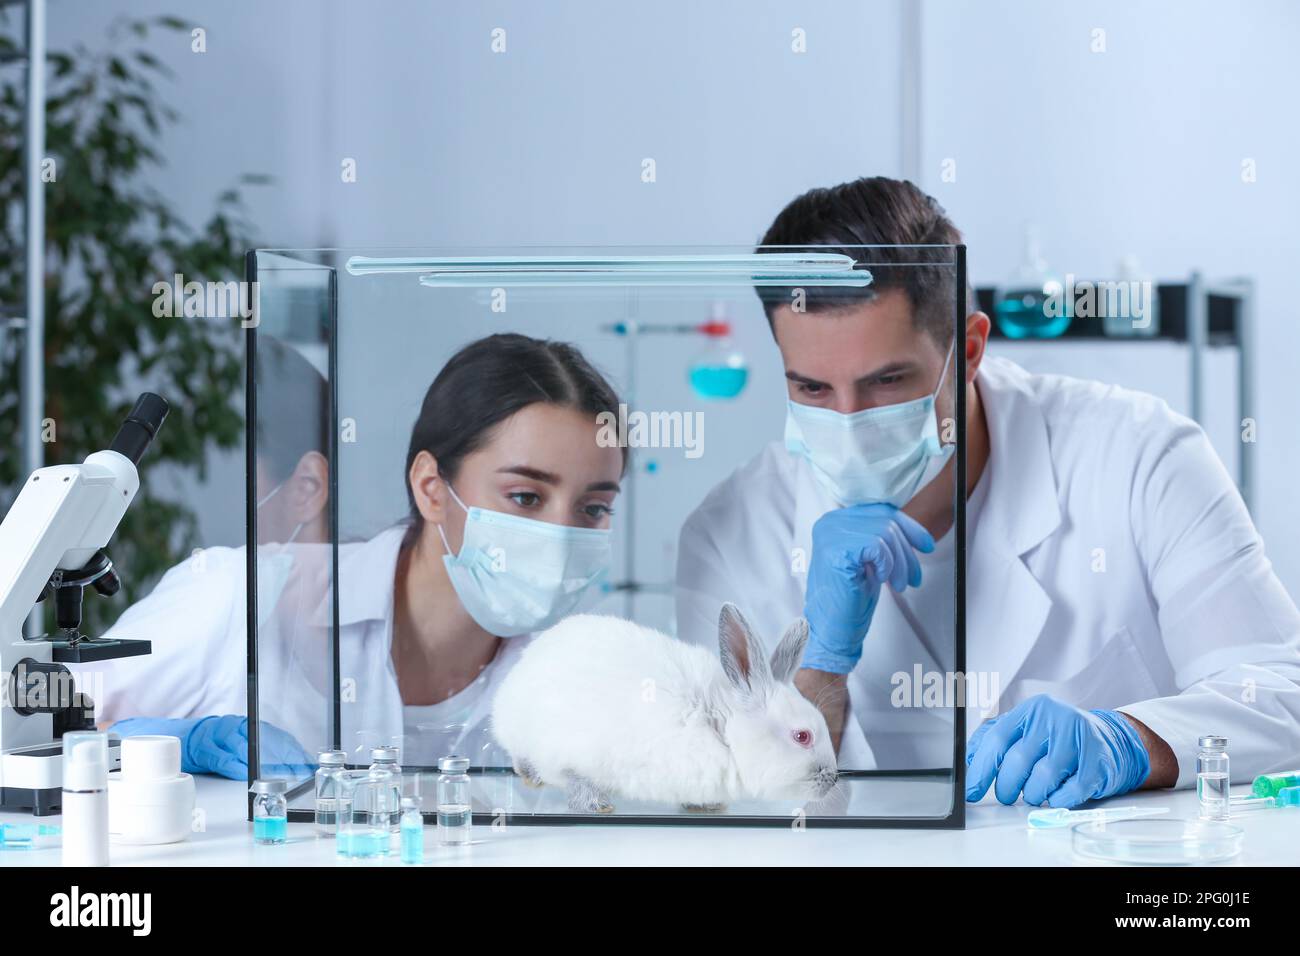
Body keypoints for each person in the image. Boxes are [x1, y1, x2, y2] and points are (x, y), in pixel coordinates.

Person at [676, 176, 1300, 808]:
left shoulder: (1140, 455)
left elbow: (1280, 694)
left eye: (887, 381)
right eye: (811, 389)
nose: (849, 422)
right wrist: (823, 666)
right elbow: (725, 803)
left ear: (969, 349)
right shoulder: (732, 533)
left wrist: (1129, 742)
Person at [86, 333, 626, 778]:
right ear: (432, 488)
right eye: (526, 497)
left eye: (594, 507)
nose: (559, 536)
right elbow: (25, 736)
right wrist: (184, 745)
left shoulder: (571, 682)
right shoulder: (239, 596)